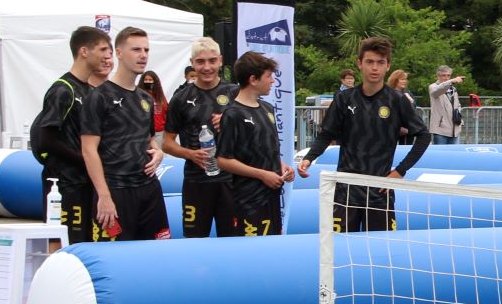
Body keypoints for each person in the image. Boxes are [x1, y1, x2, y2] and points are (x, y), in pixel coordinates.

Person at [296, 36, 430, 232]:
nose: (374, 68)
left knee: (380, 252)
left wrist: (400, 171)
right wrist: (309, 157)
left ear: (387, 66)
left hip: (379, 189)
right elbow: (326, 134)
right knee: (339, 251)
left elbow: (424, 136)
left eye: (380, 62)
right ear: (360, 64)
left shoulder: (397, 100)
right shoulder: (344, 98)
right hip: (346, 189)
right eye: (369, 62)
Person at [79, 26, 168, 242]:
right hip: (115, 189)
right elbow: (89, 150)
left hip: (148, 188)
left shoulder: (145, 99)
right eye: (136, 49)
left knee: (156, 255)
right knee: (112, 260)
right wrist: (104, 195)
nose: (143, 55)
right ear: (118, 53)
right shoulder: (98, 97)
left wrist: (158, 153)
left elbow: (148, 139)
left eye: (146, 50)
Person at [30, 27, 112, 241]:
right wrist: (84, 160)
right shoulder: (63, 90)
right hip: (63, 184)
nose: (107, 56)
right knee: (64, 241)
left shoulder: (91, 91)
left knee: (86, 241)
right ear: (84, 51)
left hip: (85, 182)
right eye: (103, 49)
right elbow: (46, 139)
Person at [161, 37, 237, 239]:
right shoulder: (180, 98)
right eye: (201, 62)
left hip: (231, 181)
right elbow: (166, 143)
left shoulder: (235, 93)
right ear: (192, 63)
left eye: (212, 61)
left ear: (220, 61)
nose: (207, 67)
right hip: (196, 182)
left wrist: (231, 125)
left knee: (233, 241)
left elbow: (251, 137)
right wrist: (191, 154)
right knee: (194, 239)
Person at [215, 51, 294, 236]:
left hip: (272, 198)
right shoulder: (233, 114)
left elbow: (265, 150)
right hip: (247, 201)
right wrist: (263, 175)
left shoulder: (267, 108)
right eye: (268, 76)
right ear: (253, 79)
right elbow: (224, 160)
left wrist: (281, 167)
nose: (273, 81)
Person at [427, 65, 466, 145]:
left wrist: (460, 119)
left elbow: (457, 105)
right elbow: (439, 90)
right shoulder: (433, 87)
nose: (446, 77)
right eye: (444, 75)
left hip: (455, 129)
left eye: (448, 75)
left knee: (454, 155)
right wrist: (452, 81)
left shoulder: (453, 89)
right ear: (438, 76)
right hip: (440, 130)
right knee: (440, 156)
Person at [140, 70, 169, 135]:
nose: (148, 81)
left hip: (159, 132)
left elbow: (167, 111)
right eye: (146, 80)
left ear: (155, 82)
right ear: (142, 81)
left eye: (150, 80)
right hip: (145, 132)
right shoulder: (139, 95)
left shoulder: (160, 95)